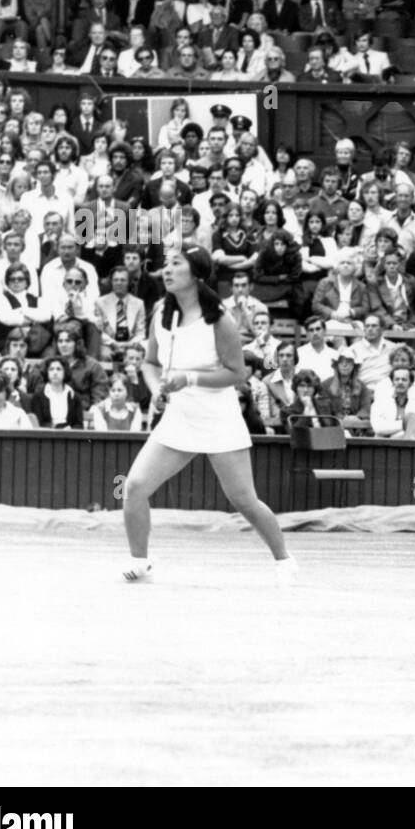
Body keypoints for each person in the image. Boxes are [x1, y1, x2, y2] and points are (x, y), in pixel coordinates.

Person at [120, 246, 297, 586]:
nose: (167, 271)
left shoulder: (220, 319)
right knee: (136, 486)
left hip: (219, 416)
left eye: (176, 265)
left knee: (243, 499)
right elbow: (150, 363)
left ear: (197, 274)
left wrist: (189, 378)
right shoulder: (161, 314)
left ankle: (284, 559)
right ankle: (139, 560)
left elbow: (237, 375)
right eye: (166, 265)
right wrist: (157, 387)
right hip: (179, 416)